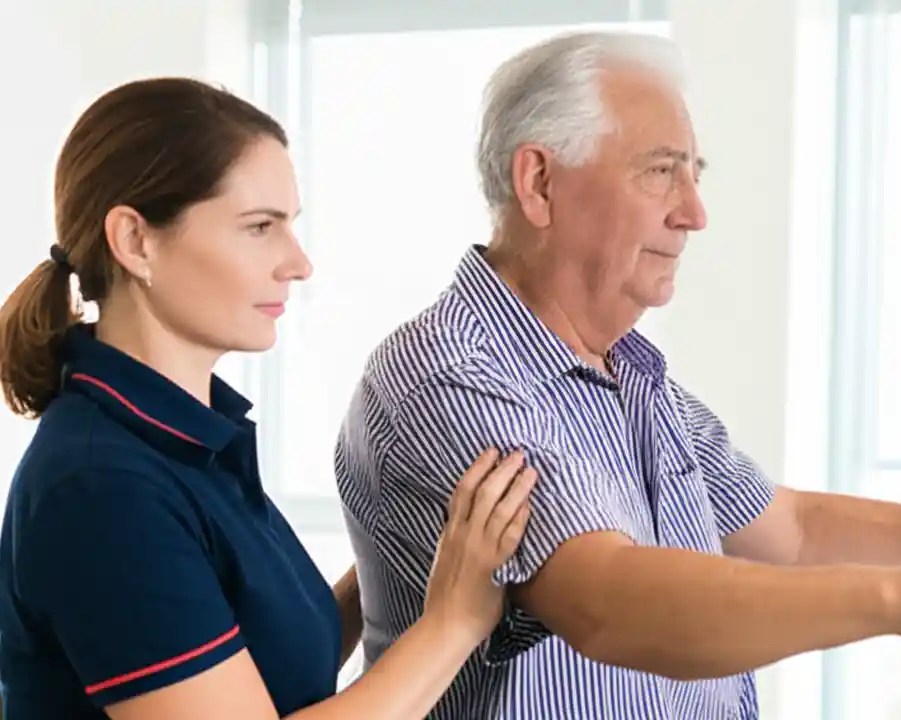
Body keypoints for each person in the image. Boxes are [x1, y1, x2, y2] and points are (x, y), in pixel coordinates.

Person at [335, 31, 901, 719]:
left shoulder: (634, 381)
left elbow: (789, 530)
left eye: (694, 173)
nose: (694, 212)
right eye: (660, 173)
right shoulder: (452, 377)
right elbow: (605, 602)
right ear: (539, 183)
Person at [0, 77, 536, 720]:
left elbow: (268, 666)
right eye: (259, 227)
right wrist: (453, 623)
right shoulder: (101, 485)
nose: (298, 262)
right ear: (136, 241)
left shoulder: (187, 444)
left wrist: (411, 557)